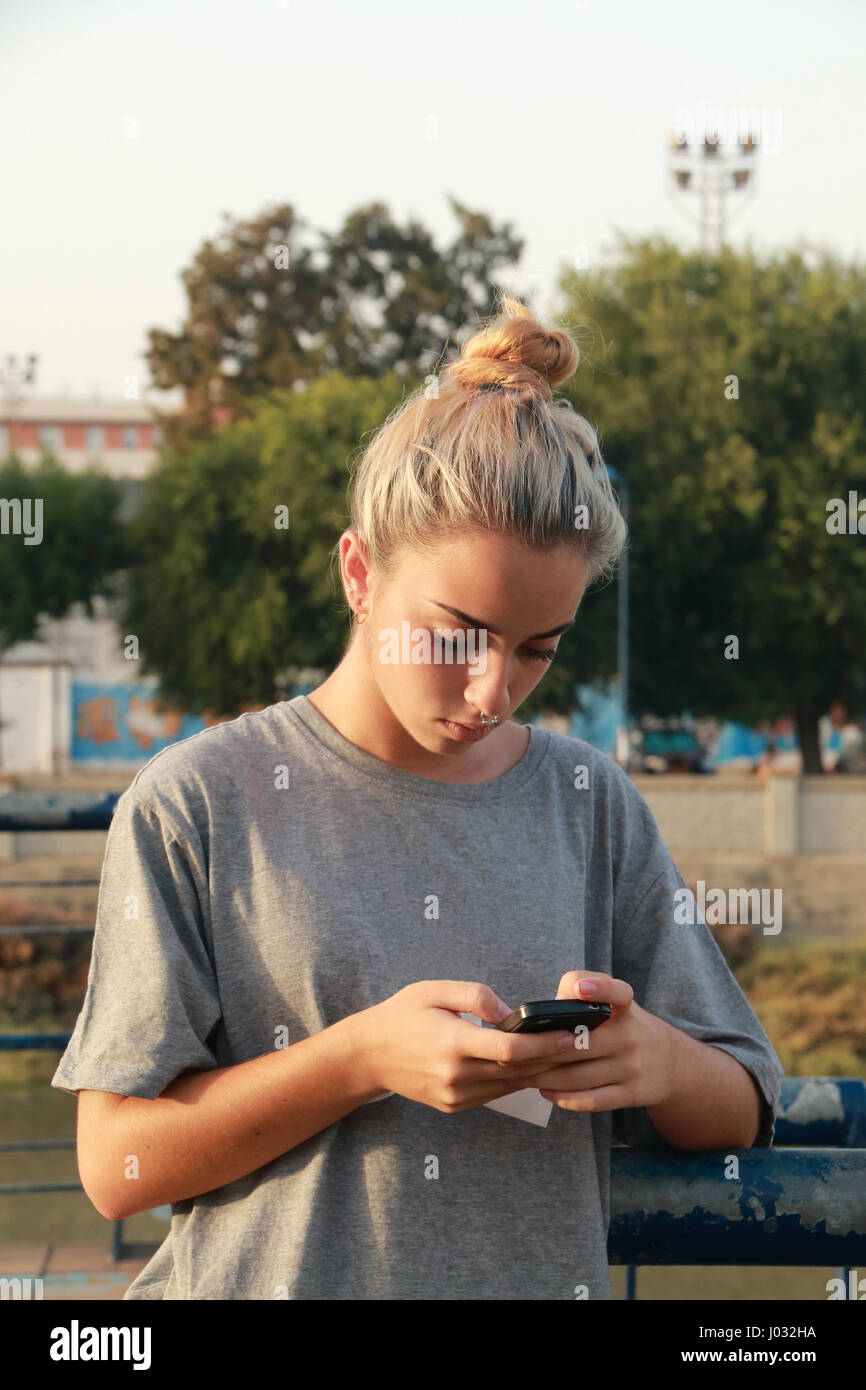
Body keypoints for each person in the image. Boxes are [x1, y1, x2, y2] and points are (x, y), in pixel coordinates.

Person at [52, 294, 784, 1300]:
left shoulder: (588, 802)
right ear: (359, 572)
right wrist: (358, 1060)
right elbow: (114, 1164)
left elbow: (743, 1103)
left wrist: (652, 1058)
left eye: (538, 648)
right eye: (458, 635)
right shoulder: (198, 801)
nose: (492, 691)